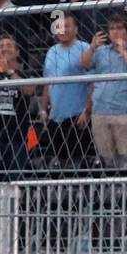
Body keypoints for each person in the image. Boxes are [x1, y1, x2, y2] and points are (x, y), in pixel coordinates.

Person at [79, 15, 127, 170]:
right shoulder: (100, 51)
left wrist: (124, 52)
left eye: (119, 28)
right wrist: (92, 47)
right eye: (112, 29)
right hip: (100, 112)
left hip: (126, 112)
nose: (115, 32)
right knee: (105, 163)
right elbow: (83, 64)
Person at [40, 13, 92, 168]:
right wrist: (43, 109)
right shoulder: (51, 51)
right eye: (59, 27)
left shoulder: (85, 48)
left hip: (76, 116)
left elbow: (93, 82)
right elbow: (47, 82)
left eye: (67, 26)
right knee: (56, 162)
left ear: (75, 29)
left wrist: (86, 110)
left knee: (78, 162)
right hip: (55, 116)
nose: (63, 30)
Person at [0, 35, 35, 179]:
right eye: (1, 46)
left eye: (9, 45)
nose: (4, 48)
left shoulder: (25, 73)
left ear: (17, 52)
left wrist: (9, 71)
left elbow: (29, 90)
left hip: (16, 138)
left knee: (14, 183)